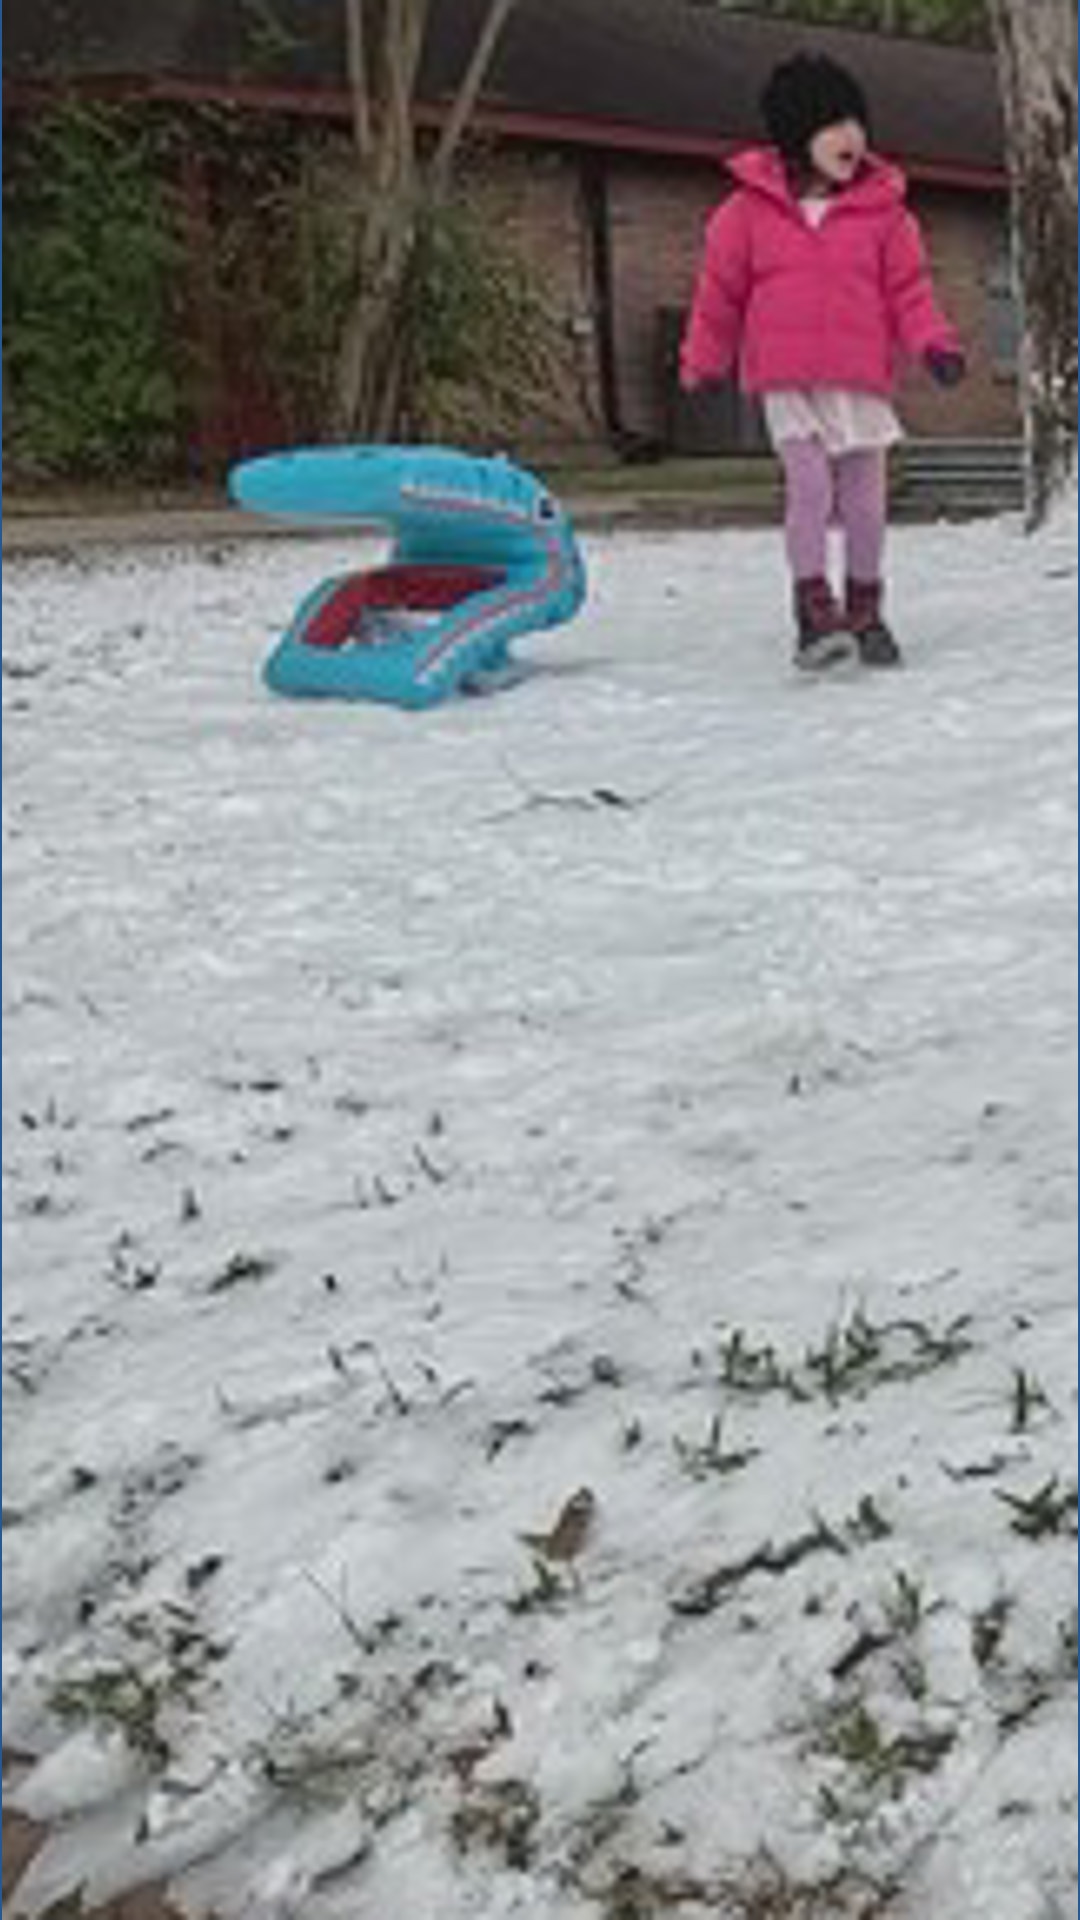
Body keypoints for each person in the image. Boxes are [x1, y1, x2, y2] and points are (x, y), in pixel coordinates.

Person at [681, 53, 966, 669]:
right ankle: (814, 609)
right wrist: (704, 362)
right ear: (795, 135)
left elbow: (910, 293)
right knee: (809, 489)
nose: (851, 138)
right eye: (832, 123)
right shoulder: (744, 215)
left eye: (856, 122)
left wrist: (934, 343)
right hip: (787, 377)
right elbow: (718, 297)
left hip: (860, 375)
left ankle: (865, 607)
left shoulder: (887, 216)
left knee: (865, 496)